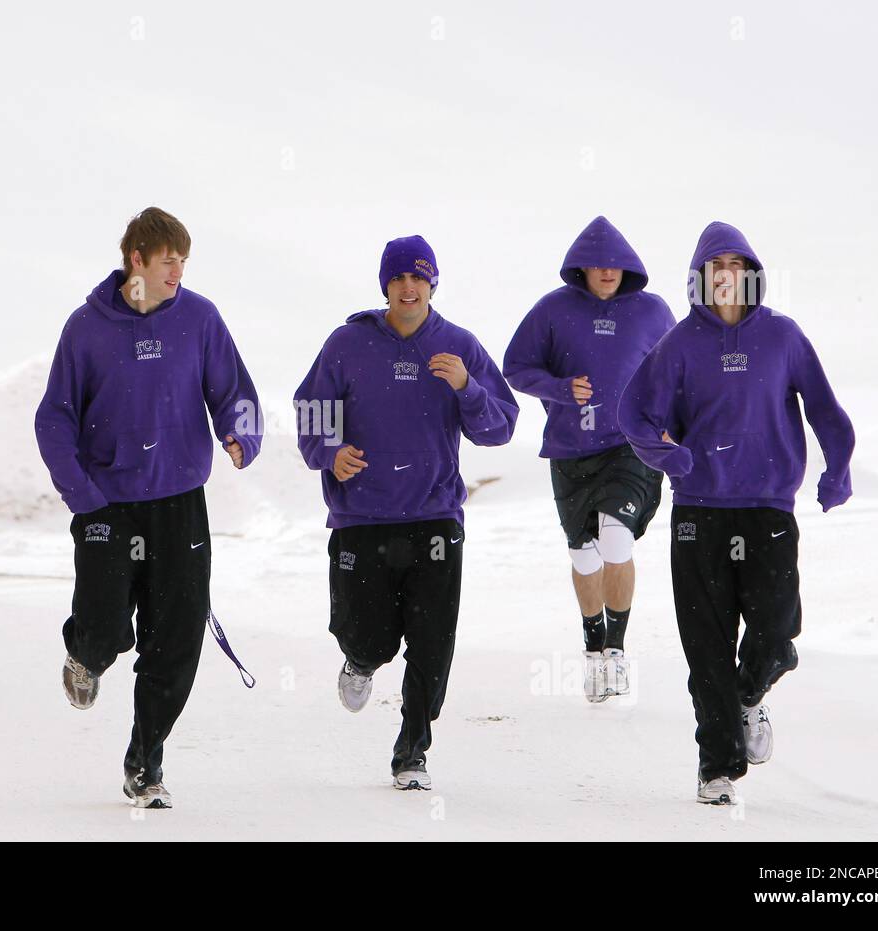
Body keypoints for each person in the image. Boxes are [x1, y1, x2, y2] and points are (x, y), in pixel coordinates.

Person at [617, 221, 854, 805]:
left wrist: (837, 468)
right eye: (715, 266)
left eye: (736, 265)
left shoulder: (783, 337)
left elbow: (824, 406)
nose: (726, 276)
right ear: (701, 278)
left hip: (768, 506)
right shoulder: (679, 343)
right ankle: (716, 766)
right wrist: (668, 456)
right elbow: (633, 413)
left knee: (776, 632)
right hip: (700, 510)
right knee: (707, 644)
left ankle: (749, 695)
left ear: (751, 275)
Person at [34, 207, 262, 809]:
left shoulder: (199, 318)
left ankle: (145, 762)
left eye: (183, 262)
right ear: (136, 259)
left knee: (176, 640)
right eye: (169, 261)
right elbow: (54, 417)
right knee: (107, 628)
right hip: (108, 506)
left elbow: (235, 391)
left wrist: (241, 434)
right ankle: (85, 653)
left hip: (181, 504)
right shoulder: (86, 329)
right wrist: (84, 497)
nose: (177, 273)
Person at [294, 235, 519, 790]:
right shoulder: (347, 344)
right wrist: (331, 453)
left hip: (434, 516)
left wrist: (467, 387)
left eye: (419, 277)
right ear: (385, 286)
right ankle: (361, 660)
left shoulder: (459, 345)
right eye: (399, 278)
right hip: (362, 519)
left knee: (432, 641)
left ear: (433, 283)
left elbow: (500, 428)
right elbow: (311, 416)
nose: (409, 287)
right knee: (370, 636)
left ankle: (412, 749)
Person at [503, 216, 675, 702]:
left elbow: (680, 372)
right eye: (596, 264)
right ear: (581, 268)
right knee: (584, 553)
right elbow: (515, 367)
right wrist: (559, 389)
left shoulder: (653, 312)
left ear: (629, 267)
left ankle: (616, 652)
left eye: (615, 264)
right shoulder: (553, 311)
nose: (606, 271)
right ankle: (594, 642)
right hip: (570, 451)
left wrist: (673, 424)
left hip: (632, 447)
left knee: (616, 537)